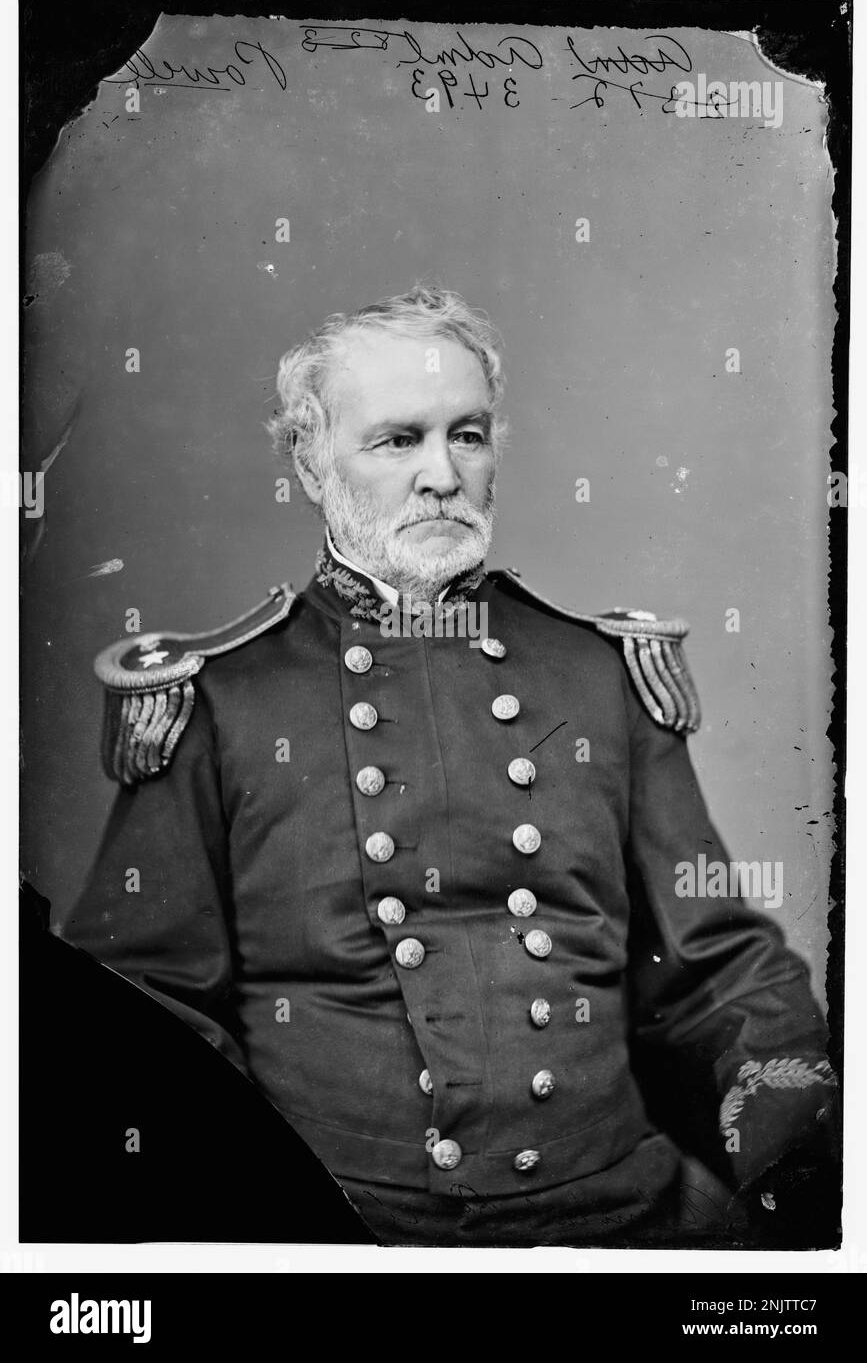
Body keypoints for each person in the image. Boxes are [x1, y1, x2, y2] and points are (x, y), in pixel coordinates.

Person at [62, 285, 839, 1247]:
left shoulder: (596, 673)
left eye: (465, 435)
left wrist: (796, 1148)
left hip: (627, 1214)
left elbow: (717, 964)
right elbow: (140, 1011)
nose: (441, 474)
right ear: (309, 461)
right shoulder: (222, 699)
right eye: (397, 441)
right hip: (344, 1227)